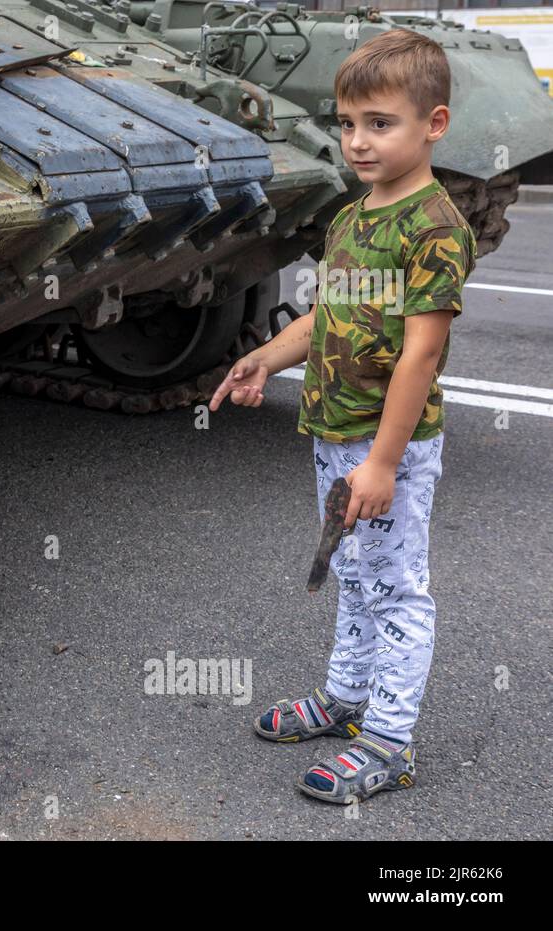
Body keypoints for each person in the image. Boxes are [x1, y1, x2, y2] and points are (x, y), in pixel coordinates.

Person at [208, 28, 477, 804]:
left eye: (380, 123)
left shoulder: (433, 226)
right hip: (334, 438)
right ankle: (347, 699)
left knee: (396, 590)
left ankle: (389, 742)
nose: (358, 141)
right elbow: (328, 314)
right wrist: (267, 356)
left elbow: (421, 355)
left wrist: (384, 462)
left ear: (434, 124)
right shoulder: (355, 217)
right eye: (348, 124)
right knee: (356, 577)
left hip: (384, 444)